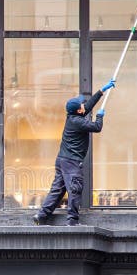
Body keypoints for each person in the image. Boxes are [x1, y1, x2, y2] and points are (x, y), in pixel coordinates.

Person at [33, 78, 116, 226]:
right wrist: (100, 116)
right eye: (82, 104)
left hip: (63, 160)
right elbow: (97, 127)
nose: (84, 104)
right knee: (75, 188)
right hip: (71, 161)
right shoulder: (78, 122)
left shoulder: (73, 117)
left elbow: (88, 106)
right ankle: (72, 221)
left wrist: (101, 91)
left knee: (58, 189)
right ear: (79, 110)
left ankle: (41, 215)